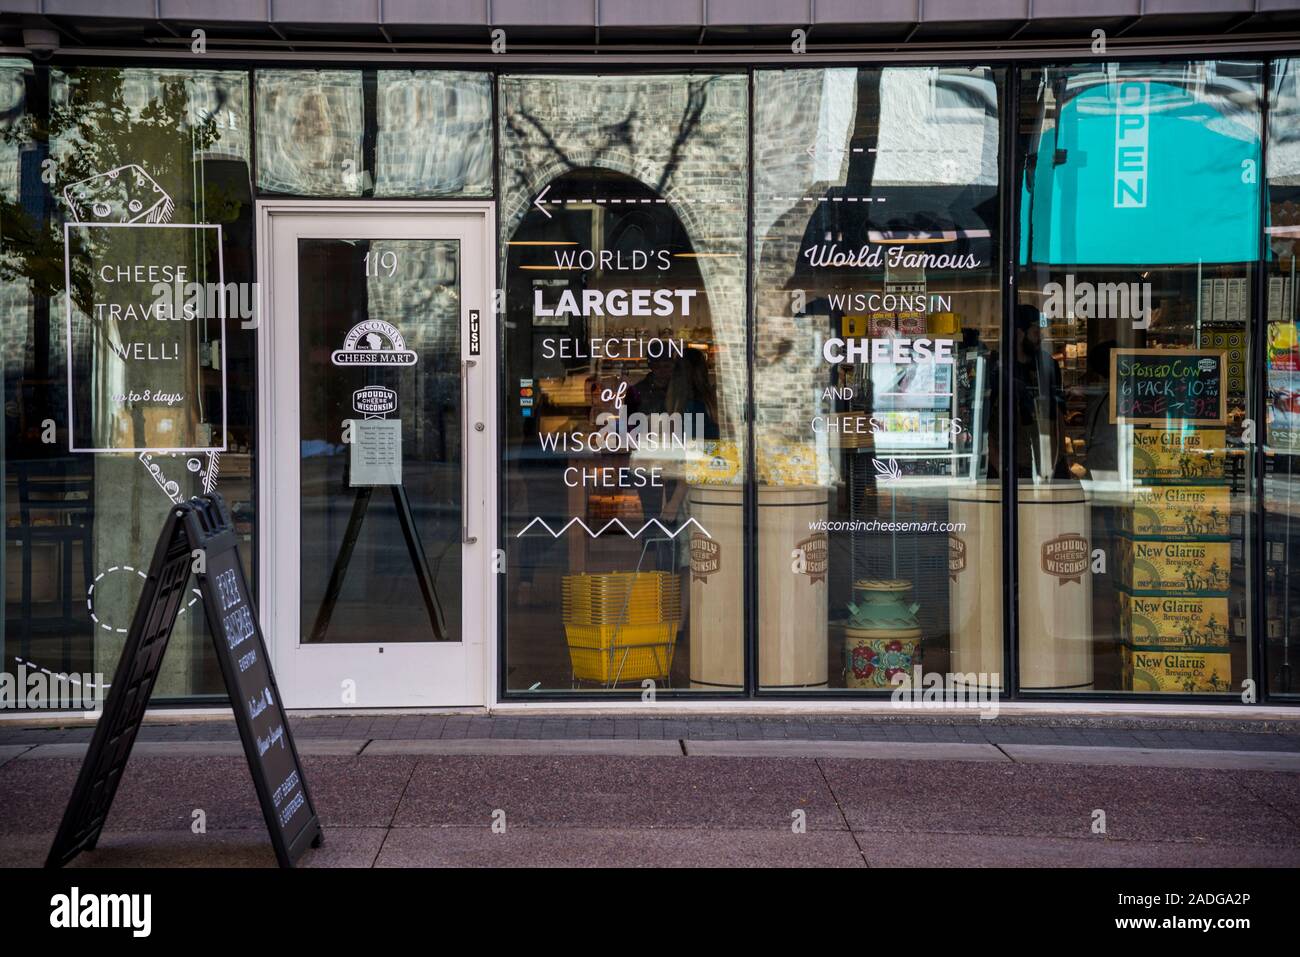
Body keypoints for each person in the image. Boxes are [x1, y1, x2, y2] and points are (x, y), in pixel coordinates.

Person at [1013, 303, 1069, 480]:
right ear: (1019, 333)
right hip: (1017, 462)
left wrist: (1057, 458)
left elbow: (1058, 414)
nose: (1040, 338)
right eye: (1036, 332)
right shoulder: (1002, 367)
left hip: (1047, 456)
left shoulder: (1048, 364)